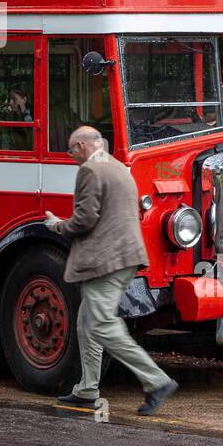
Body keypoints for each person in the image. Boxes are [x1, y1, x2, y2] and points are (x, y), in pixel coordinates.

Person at [44, 126, 179, 414]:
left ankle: (156, 381)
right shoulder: (117, 167)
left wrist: (57, 225)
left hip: (105, 261)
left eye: (71, 152)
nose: (72, 158)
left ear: (81, 145)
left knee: (103, 323)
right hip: (124, 257)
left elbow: (84, 220)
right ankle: (87, 389)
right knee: (86, 323)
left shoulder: (90, 171)